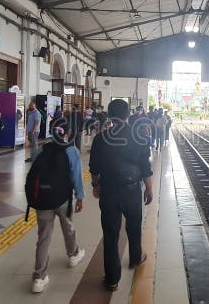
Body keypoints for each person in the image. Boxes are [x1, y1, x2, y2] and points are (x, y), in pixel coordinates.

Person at [90, 99, 153, 292]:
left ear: (109, 115)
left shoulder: (101, 138)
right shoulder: (139, 137)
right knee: (134, 227)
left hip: (109, 191)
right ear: (128, 115)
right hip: (132, 190)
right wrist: (149, 189)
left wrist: (96, 185)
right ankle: (135, 258)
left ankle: (112, 280)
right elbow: (145, 167)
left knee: (110, 235)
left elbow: (94, 167)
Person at [29, 127, 86, 293]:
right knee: (68, 228)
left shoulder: (41, 151)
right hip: (64, 199)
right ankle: (73, 254)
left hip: (43, 200)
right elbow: (76, 176)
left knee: (43, 237)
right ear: (67, 134)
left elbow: (33, 175)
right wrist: (80, 196)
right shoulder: (72, 151)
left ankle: (39, 278)